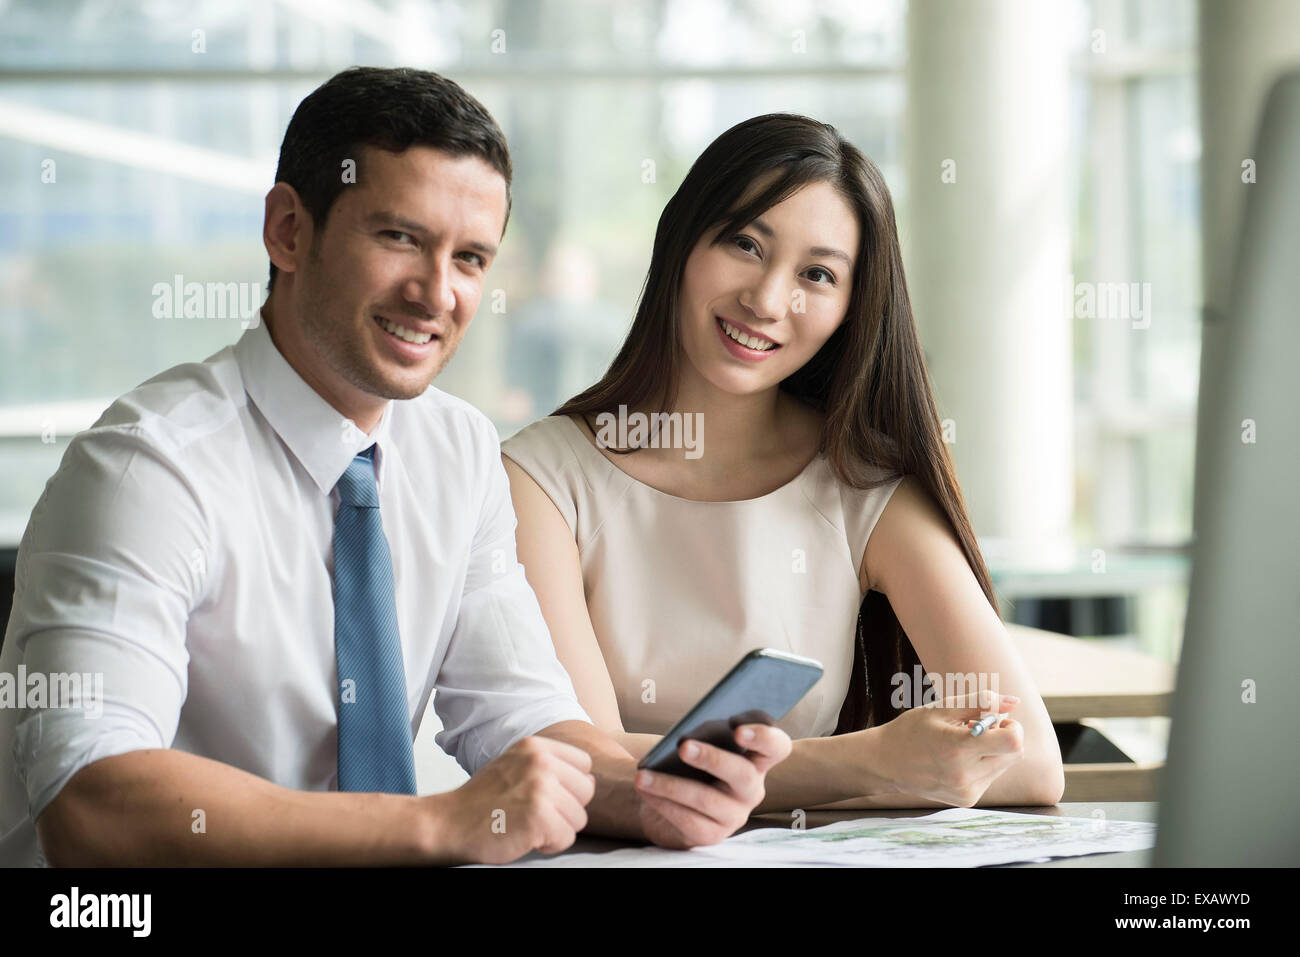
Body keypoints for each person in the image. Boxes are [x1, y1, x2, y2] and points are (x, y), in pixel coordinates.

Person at [0, 68, 792, 868]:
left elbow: (524, 718)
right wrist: (440, 821)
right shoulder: (148, 468)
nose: (435, 293)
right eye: (400, 238)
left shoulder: (460, 450)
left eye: (472, 259)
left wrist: (659, 795)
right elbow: (87, 803)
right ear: (288, 231)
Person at [502, 113, 1065, 814]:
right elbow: (591, 765)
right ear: (682, 239)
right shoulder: (542, 477)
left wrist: (856, 768)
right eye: (745, 243)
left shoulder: (863, 486)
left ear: (852, 311)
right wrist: (868, 760)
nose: (767, 300)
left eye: (818, 274)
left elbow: (1034, 760)